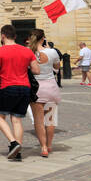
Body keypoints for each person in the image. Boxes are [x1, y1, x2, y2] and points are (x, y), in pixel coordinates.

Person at [0, 24, 41, 161]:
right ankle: (17, 152)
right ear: (15, 36)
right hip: (25, 88)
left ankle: (13, 143)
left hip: (8, 87)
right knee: (16, 119)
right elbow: (36, 70)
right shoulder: (27, 51)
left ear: (3, 36)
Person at [27, 29, 60, 158]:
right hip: (51, 87)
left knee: (39, 121)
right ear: (43, 38)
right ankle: (50, 144)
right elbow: (57, 68)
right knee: (50, 119)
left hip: (36, 88)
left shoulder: (29, 52)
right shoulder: (52, 52)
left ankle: (43, 147)